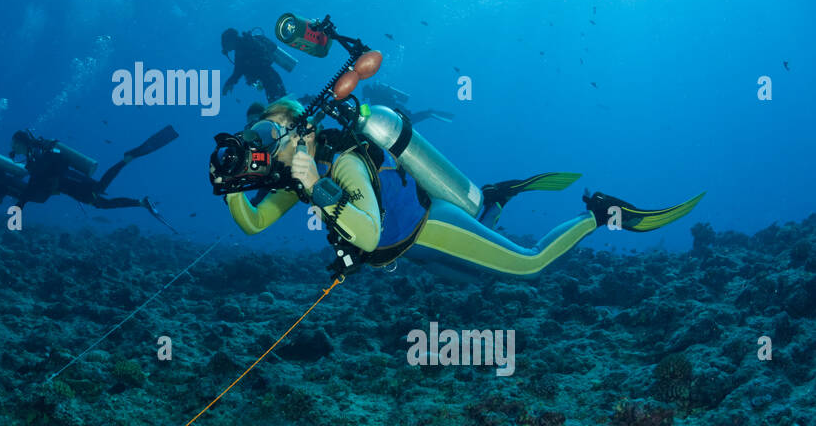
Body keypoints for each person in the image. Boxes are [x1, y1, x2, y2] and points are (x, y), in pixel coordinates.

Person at [221, 97, 703, 278]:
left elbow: (366, 235)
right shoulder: (298, 175)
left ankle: (599, 213)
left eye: (271, 137)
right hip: (410, 250)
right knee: (480, 259)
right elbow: (256, 223)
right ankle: (494, 196)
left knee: (526, 267)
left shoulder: (343, 161)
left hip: (431, 229)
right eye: (259, 140)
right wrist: (231, 186)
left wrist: (319, 191)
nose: (267, 151)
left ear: (302, 132)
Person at [10, 127, 179, 228]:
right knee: (101, 204)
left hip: (72, 182)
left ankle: (127, 159)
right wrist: (21, 204)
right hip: (69, 187)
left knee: (99, 189)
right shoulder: (33, 157)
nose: (12, 147)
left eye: (14, 143)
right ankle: (141, 202)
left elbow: (57, 164)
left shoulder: (39, 153)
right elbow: (34, 184)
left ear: (21, 142)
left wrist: (20, 205)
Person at [221, 27, 290, 100]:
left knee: (277, 102)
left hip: (268, 78)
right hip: (271, 75)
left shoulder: (241, 49)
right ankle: (301, 101)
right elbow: (239, 70)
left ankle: (302, 101)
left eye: (226, 43)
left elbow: (238, 71)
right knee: (283, 98)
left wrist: (229, 83)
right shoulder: (245, 44)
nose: (225, 47)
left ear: (231, 40)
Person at [359, 81, 453, 125]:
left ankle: (428, 113)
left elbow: (374, 112)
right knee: (411, 120)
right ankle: (428, 113)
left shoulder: (374, 98)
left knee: (410, 121)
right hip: (398, 109)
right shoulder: (378, 91)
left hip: (397, 111)